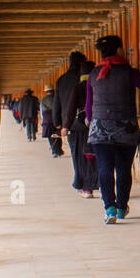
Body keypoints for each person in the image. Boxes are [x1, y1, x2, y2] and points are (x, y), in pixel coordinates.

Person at [86, 34, 140, 224]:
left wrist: (91, 123)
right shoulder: (129, 72)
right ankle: (121, 207)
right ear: (119, 50)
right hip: (125, 128)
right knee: (123, 169)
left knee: (104, 169)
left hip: (100, 129)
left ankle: (109, 207)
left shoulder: (93, 74)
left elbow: (89, 106)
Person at [55, 51, 97, 198]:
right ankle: (91, 183)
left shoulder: (61, 80)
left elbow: (57, 104)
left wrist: (59, 123)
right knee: (92, 154)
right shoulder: (90, 79)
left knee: (77, 155)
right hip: (91, 122)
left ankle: (83, 184)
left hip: (72, 124)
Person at [40, 86, 63, 157]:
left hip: (47, 120)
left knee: (50, 136)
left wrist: (43, 120)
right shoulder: (57, 98)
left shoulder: (43, 100)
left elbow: (41, 112)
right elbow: (61, 109)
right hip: (57, 119)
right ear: (53, 91)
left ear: (46, 92)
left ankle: (54, 151)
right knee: (58, 135)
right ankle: (59, 150)